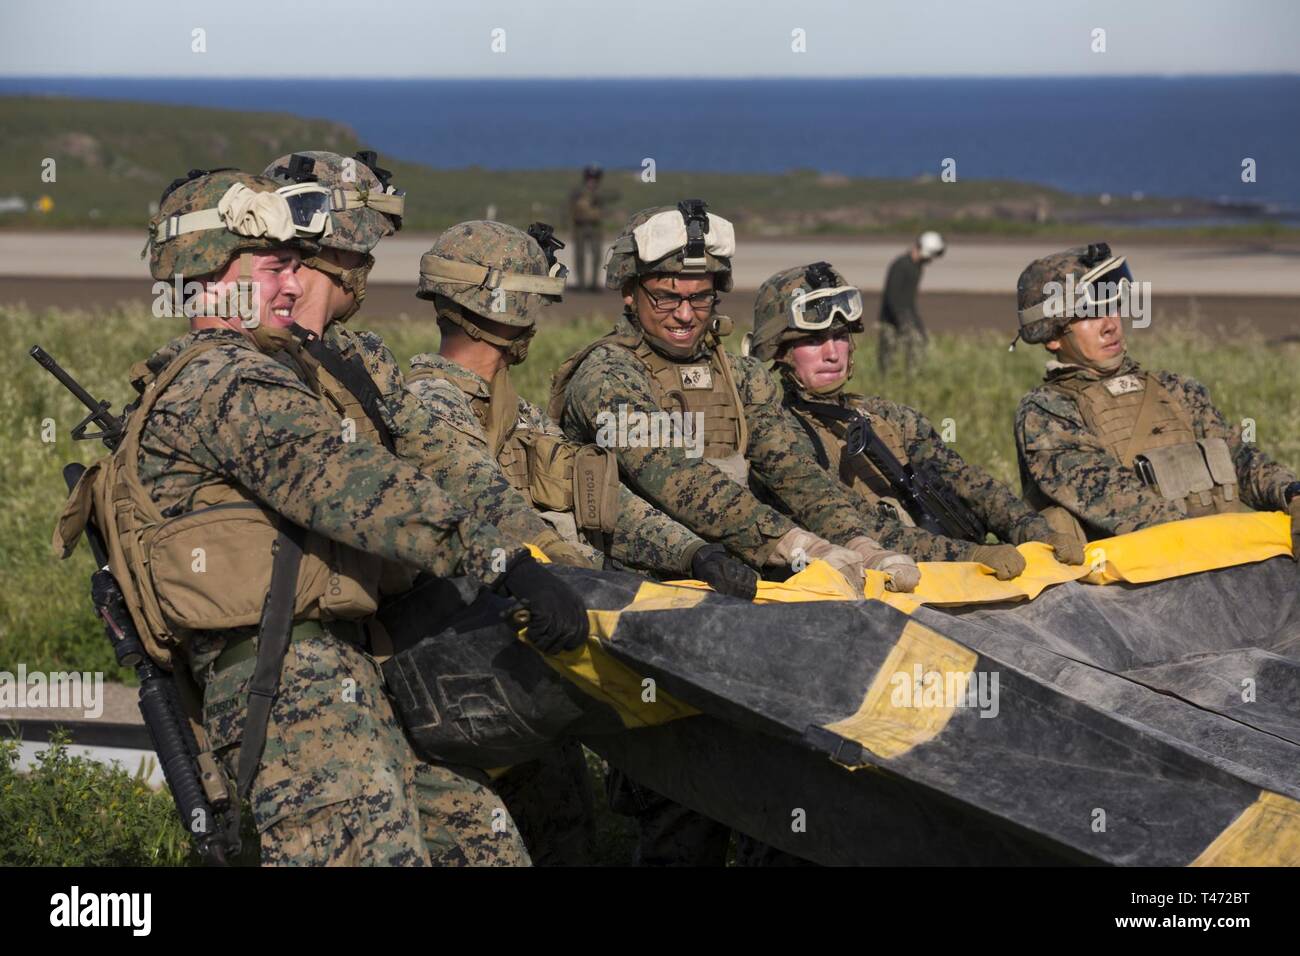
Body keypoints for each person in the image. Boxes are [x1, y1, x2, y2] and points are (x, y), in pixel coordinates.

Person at [57, 168, 589, 866]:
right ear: (212, 270)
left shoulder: (266, 370)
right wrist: (509, 563)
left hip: (352, 672)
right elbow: (361, 489)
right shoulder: (226, 383)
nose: (290, 284)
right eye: (275, 266)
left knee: (481, 846)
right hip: (292, 696)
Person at [548, 200, 920, 866]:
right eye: (666, 298)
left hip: (743, 618)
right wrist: (792, 546)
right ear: (629, 294)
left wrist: (861, 542)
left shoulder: (740, 375)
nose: (686, 314)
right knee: (679, 818)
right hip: (650, 625)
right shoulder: (603, 378)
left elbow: (794, 473)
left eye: (701, 296)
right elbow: (675, 477)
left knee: (778, 808)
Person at [406, 218, 759, 597]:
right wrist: (597, 575)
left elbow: (595, 493)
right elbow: (501, 513)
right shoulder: (432, 405)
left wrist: (692, 553)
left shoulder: (514, 410)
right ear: (506, 305)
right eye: (533, 299)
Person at [747, 261, 1085, 572]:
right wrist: (969, 557)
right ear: (780, 351)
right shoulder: (780, 437)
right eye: (814, 341)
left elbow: (967, 482)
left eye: (839, 337)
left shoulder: (888, 417)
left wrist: (1030, 529)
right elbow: (858, 528)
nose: (832, 353)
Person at [1012, 242, 1300, 553]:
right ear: (1053, 336)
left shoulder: (1177, 389)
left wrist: (1291, 493)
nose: (1110, 325)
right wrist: (1212, 545)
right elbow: (1111, 496)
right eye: (1089, 314)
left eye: (1111, 306)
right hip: (1123, 594)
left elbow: (1238, 457)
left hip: (1216, 570)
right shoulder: (1046, 412)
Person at [878, 230, 944, 376]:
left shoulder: (916, 268)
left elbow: (909, 300)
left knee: (919, 345)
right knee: (888, 358)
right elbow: (892, 297)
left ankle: (911, 378)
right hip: (891, 319)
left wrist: (917, 324)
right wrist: (903, 322)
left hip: (906, 316)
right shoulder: (901, 265)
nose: (931, 260)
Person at [568, 164, 610, 291]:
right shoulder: (578, 192)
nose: (592, 180)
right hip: (580, 226)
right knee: (580, 255)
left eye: (595, 178)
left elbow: (605, 207)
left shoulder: (600, 193)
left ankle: (594, 284)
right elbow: (570, 208)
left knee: (597, 255)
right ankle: (581, 284)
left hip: (595, 226)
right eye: (590, 177)